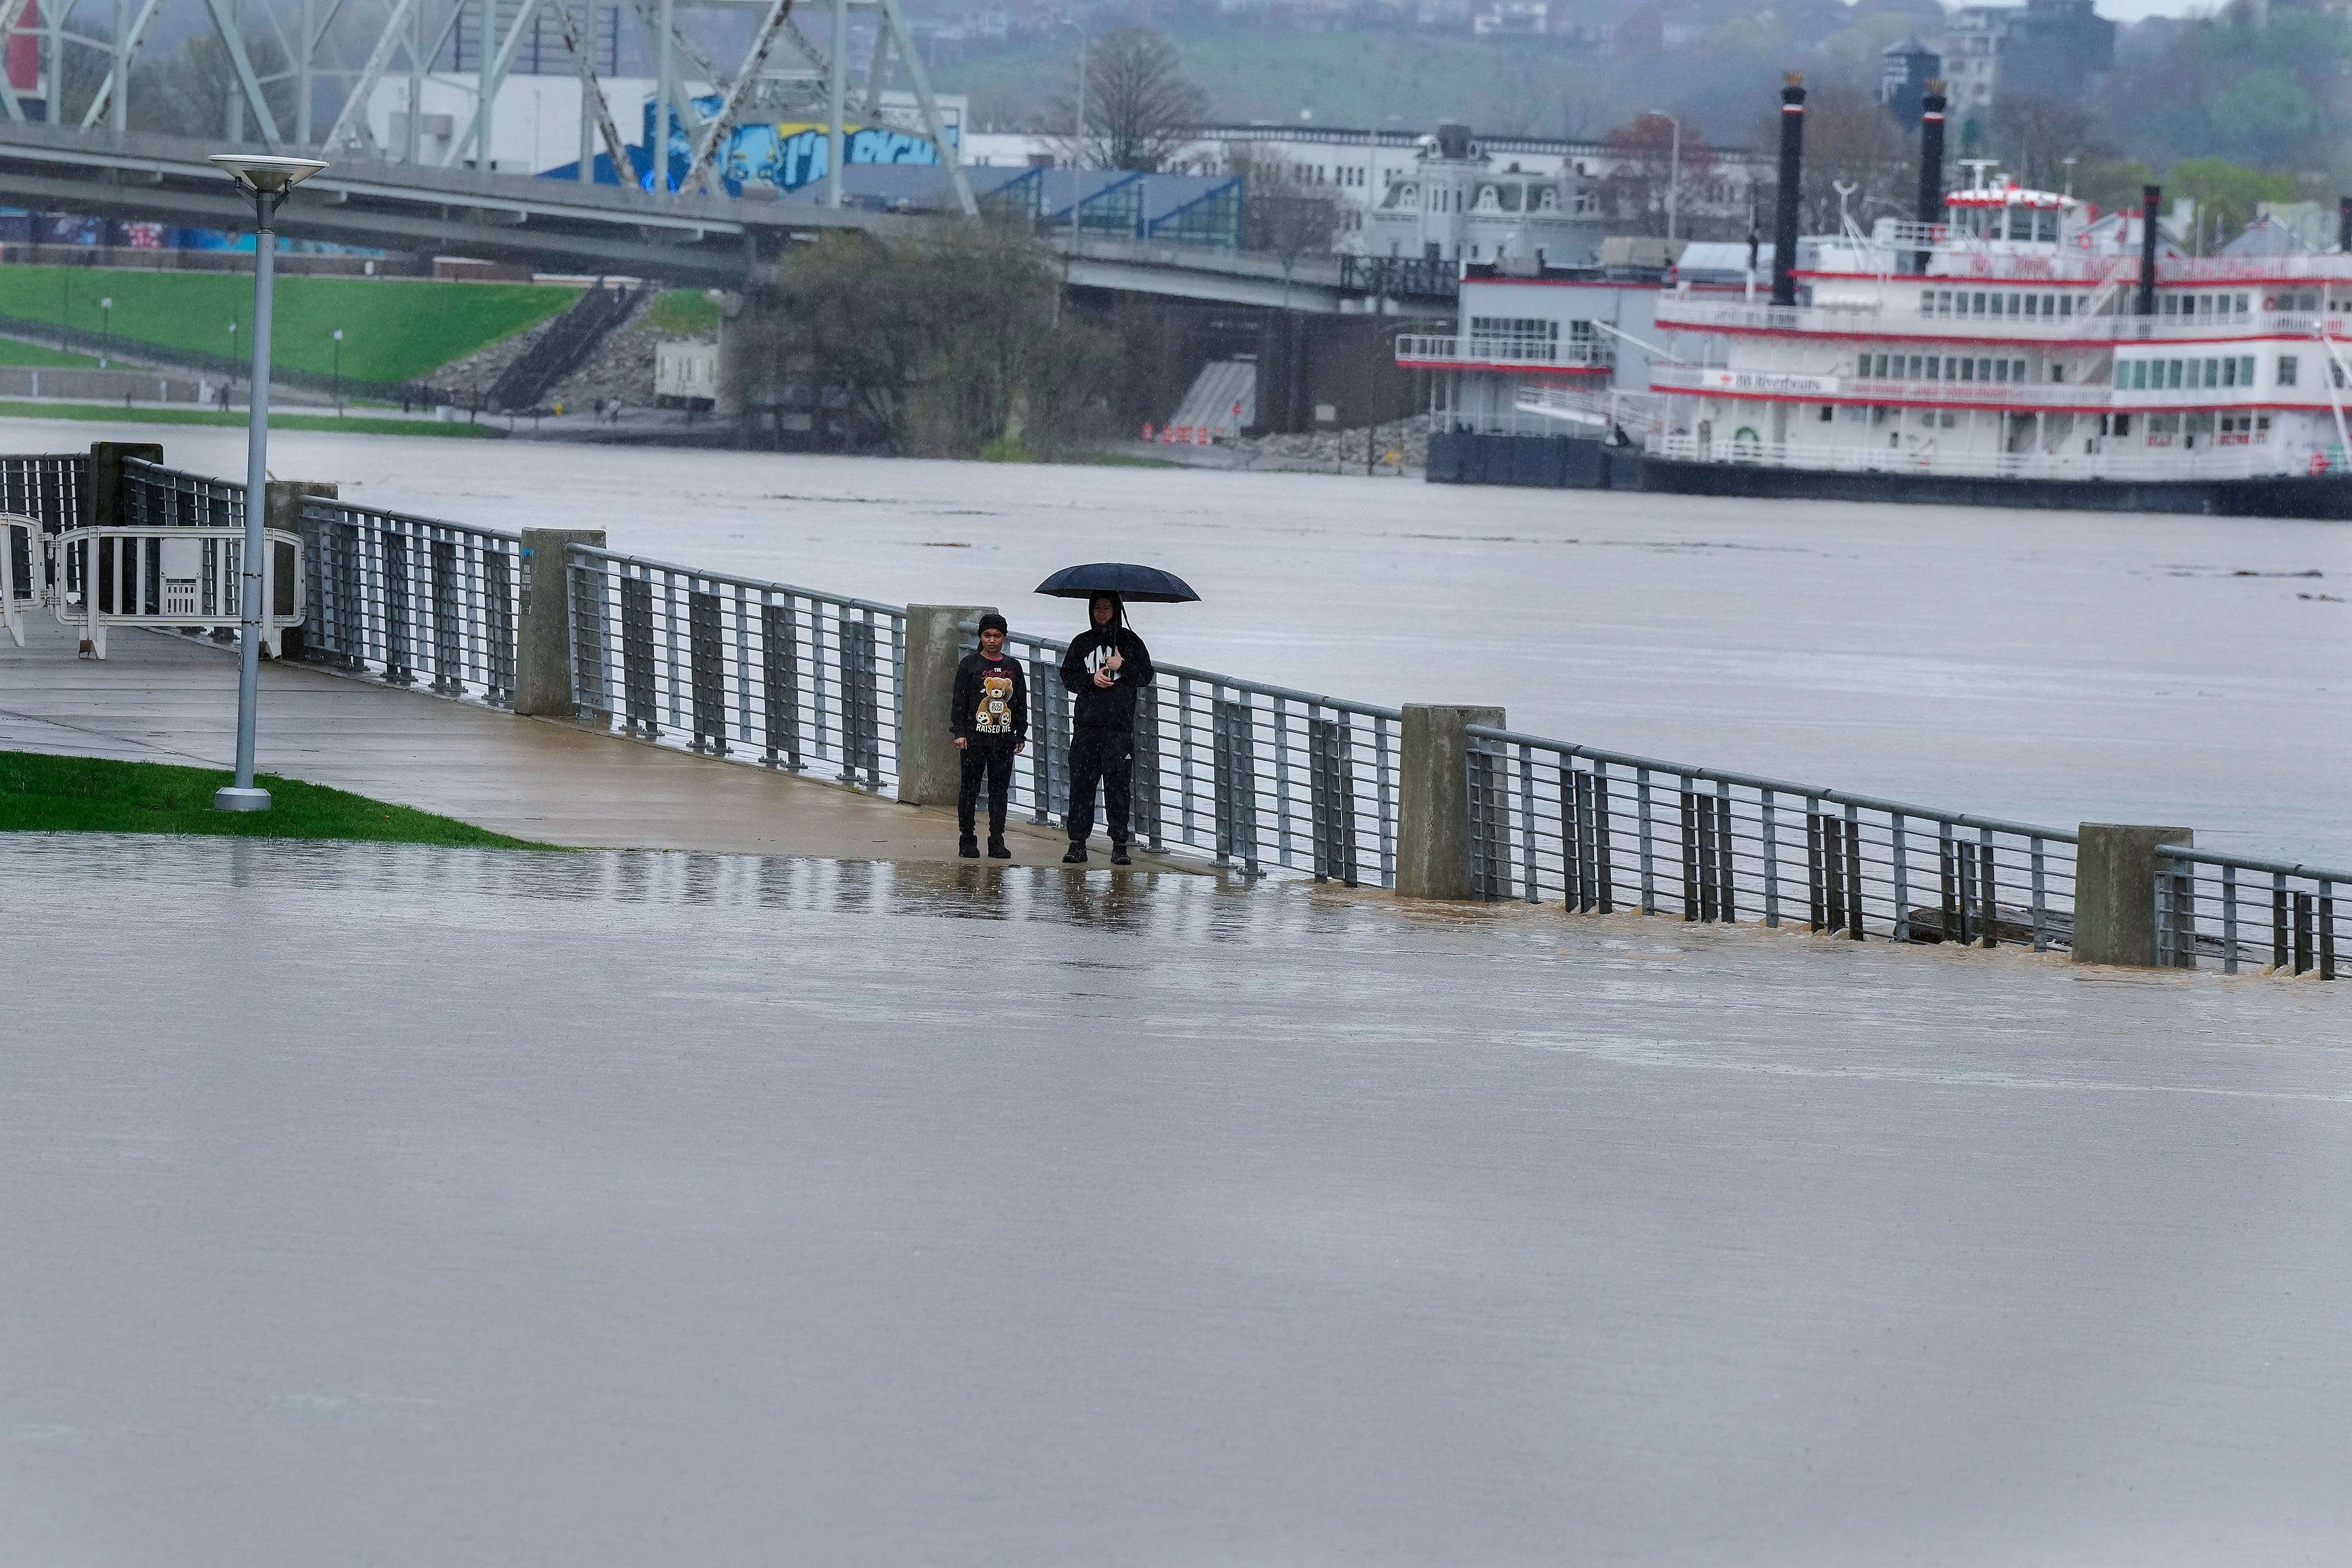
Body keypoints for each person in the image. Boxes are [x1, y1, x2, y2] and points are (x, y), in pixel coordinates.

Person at [1058, 593, 1153, 866]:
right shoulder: (1082, 642)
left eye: (1107, 608)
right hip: (1086, 727)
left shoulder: (1131, 642)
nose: (1101, 613)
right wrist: (1092, 679)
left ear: (1116, 610)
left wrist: (1122, 665)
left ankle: (1119, 844)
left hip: (1119, 729)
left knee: (1118, 788)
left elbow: (1146, 675)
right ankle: (1077, 843)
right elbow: (1068, 676)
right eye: (1097, 608)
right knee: (1081, 787)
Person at [950, 612, 1027, 860]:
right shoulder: (969, 664)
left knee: (999, 791)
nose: (992, 640)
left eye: (997, 636)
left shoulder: (1013, 667)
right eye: (987, 636)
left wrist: (1020, 733)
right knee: (969, 789)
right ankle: (967, 838)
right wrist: (960, 732)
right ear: (980, 637)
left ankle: (997, 840)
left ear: (1004, 637)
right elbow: (959, 702)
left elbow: (1020, 703)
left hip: (1003, 739)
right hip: (974, 738)